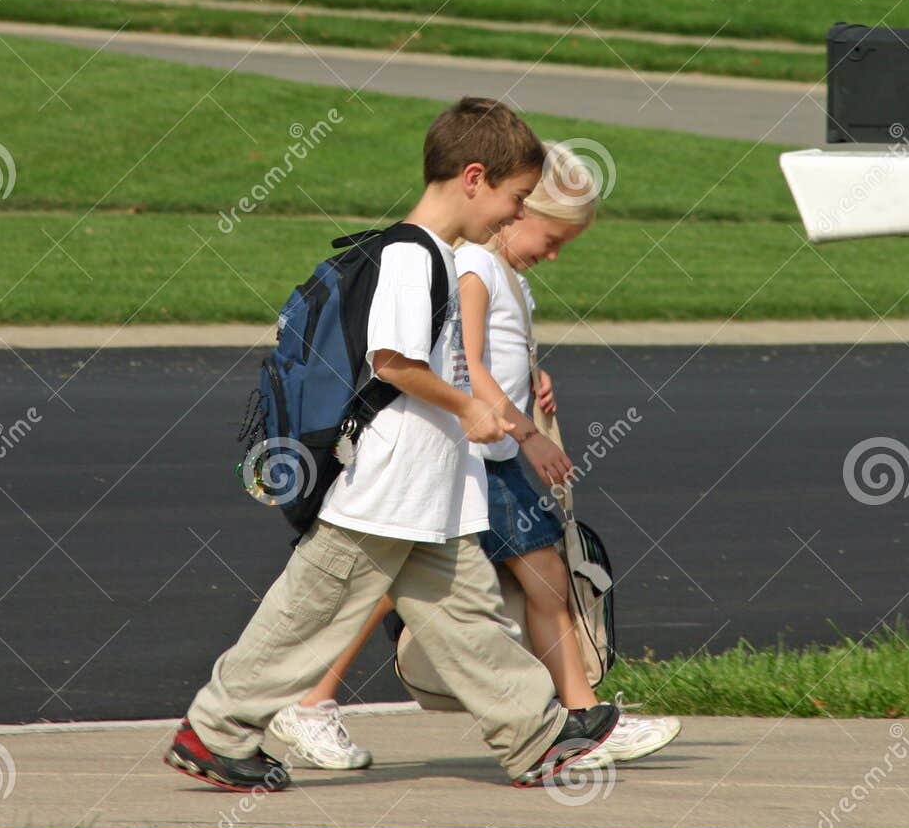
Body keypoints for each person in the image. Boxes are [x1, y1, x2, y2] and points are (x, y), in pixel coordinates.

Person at [167, 100, 619, 793]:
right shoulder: (412, 255)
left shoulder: (438, 254)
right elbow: (394, 363)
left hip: (427, 492)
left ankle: (535, 736)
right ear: (474, 177)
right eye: (515, 198)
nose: (512, 214)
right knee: (306, 616)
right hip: (385, 491)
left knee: (466, 618)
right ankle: (215, 732)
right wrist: (471, 406)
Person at [272, 144, 680, 771]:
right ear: (515, 213)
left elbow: (499, 359)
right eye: (550, 236)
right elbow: (468, 364)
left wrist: (533, 383)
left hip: (487, 451)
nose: (553, 253)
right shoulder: (475, 268)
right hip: (479, 456)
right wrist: (529, 434)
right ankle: (579, 717)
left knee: (416, 584)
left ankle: (314, 704)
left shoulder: (503, 272)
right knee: (533, 581)